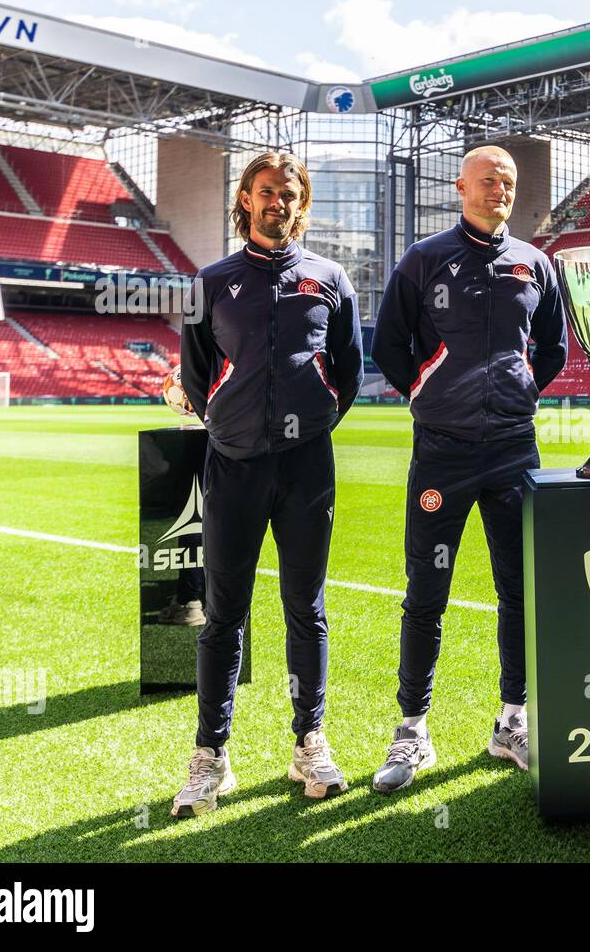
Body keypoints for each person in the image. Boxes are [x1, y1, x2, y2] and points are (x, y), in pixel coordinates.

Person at [172, 151, 364, 816]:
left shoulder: (330, 278)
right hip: (233, 466)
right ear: (246, 201)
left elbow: (348, 371)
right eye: (265, 192)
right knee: (224, 616)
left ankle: (309, 741)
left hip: (307, 468)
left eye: (288, 192)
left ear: (300, 201)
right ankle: (210, 755)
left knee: (305, 611)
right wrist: (232, 423)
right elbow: (196, 377)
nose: (276, 202)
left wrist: (306, 424)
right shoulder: (214, 281)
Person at [370, 145, 567, 792]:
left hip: (514, 451)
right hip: (443, 453)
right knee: (426, 595)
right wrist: (429, 392)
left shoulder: (535, 263)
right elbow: (387, 346)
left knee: (522, 589)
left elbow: (553, 348)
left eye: (507, 183)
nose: (498, 191)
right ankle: (412, 731)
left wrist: (520, 393)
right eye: (487, 181)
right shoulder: (425, 259)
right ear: (461, 187)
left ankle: (513, 720)